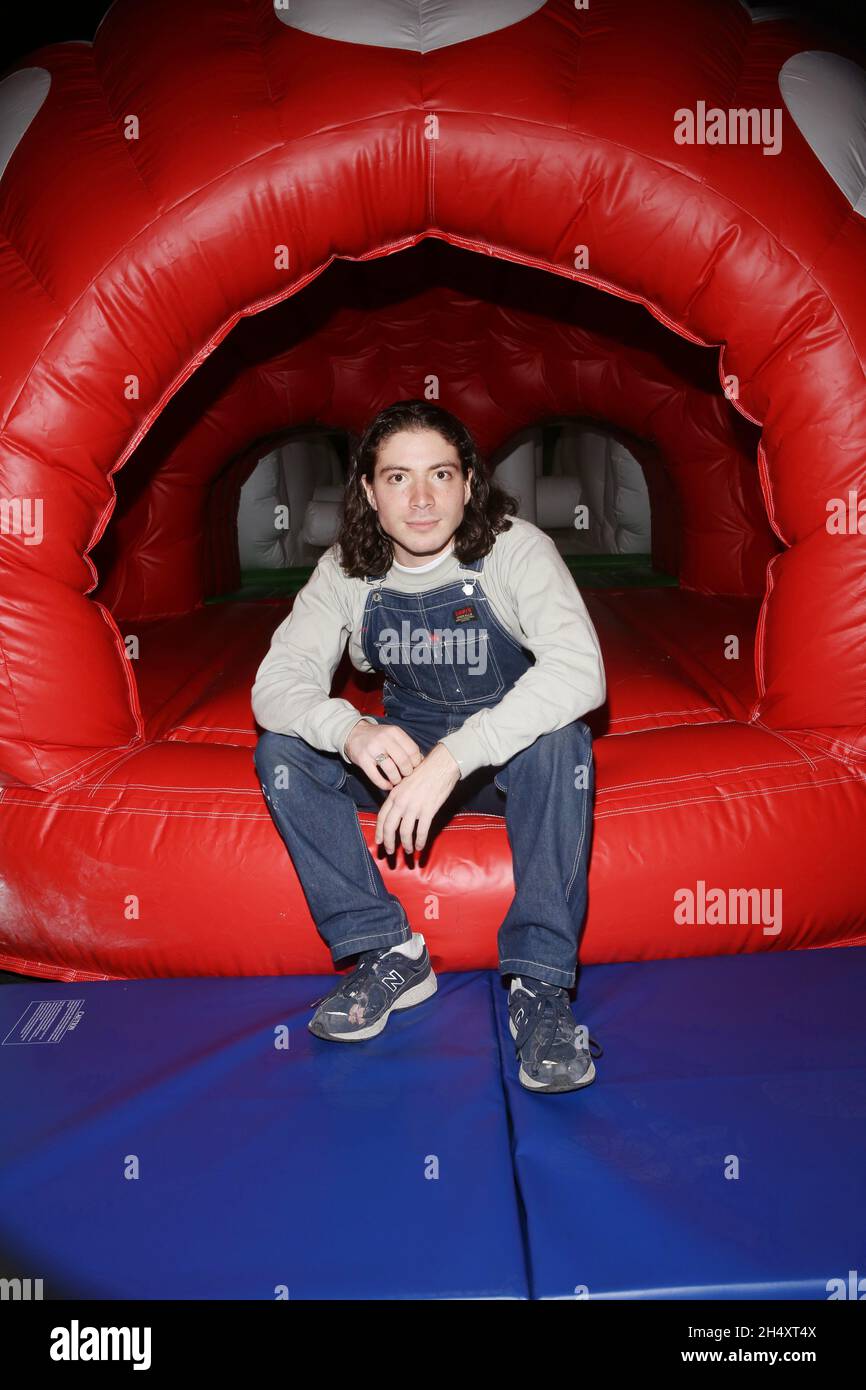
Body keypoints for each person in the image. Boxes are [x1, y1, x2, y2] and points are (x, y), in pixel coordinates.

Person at [252, 400, 607, 1093]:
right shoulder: (347, 571)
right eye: (396, 479)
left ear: (468, 483)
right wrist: (350, 730)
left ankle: (538, 988)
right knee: (282, 754)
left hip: (506, 761)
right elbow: (277, 683)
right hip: (407, 753)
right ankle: (387, 952)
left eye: (440, 475)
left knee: (564, 739)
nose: (420, 500)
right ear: (367, 491)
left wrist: (455, 758)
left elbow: (580, 670)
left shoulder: (515, 550)